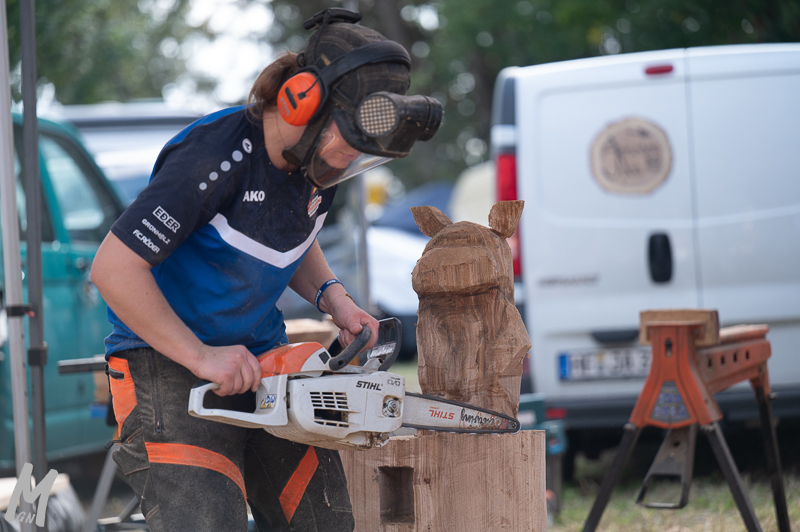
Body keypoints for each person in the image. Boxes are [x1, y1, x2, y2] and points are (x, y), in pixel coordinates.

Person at [90, 9, 441, 532]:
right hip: (166, 364)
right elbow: (114, 268)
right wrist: (201, 356)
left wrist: (335, 298)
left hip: (263, 360)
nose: (344, 163)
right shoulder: (213, 156)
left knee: (322, 523)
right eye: (344, 147)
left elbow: (292, 234)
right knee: (210, 524)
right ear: (301, 101)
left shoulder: (317, 163)